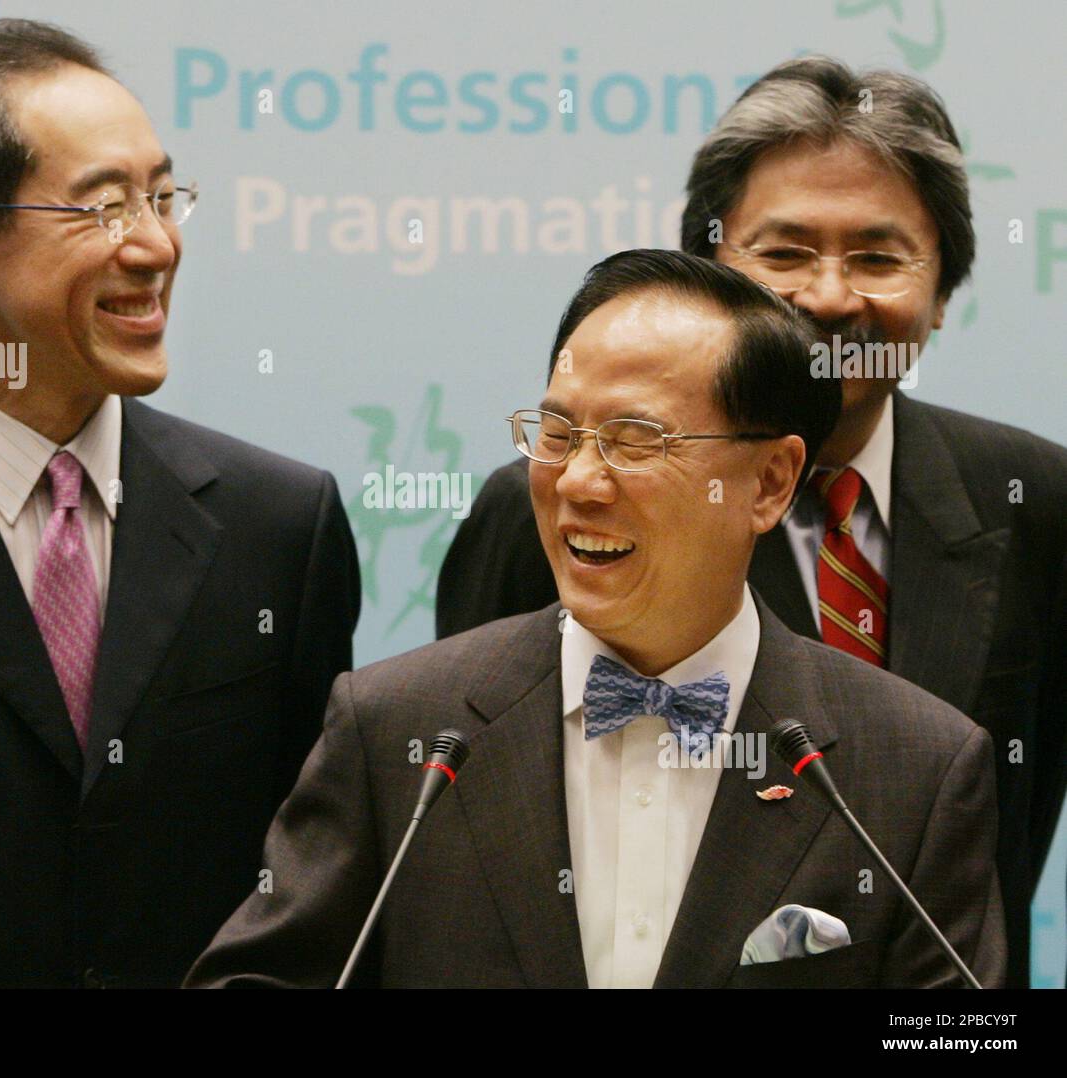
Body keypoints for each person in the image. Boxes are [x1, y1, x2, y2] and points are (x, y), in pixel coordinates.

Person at [187, 251, 1005, 989]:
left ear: (768, 482)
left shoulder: (916, 771)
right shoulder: (398, 729)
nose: (577, 481)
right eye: (557, 433)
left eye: (634, 440)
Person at [434, 56, 1067, 988]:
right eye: (784, 252)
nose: (829, 295)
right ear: (709, 277)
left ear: (941, 291)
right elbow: (483, 821)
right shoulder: (566, 500)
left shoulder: (1035, 501)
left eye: (879, 257)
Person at [0, 19, 359, 987]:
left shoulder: (280, 527)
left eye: (162, 197)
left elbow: (315, 896)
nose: (156, 243)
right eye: (101, 208)